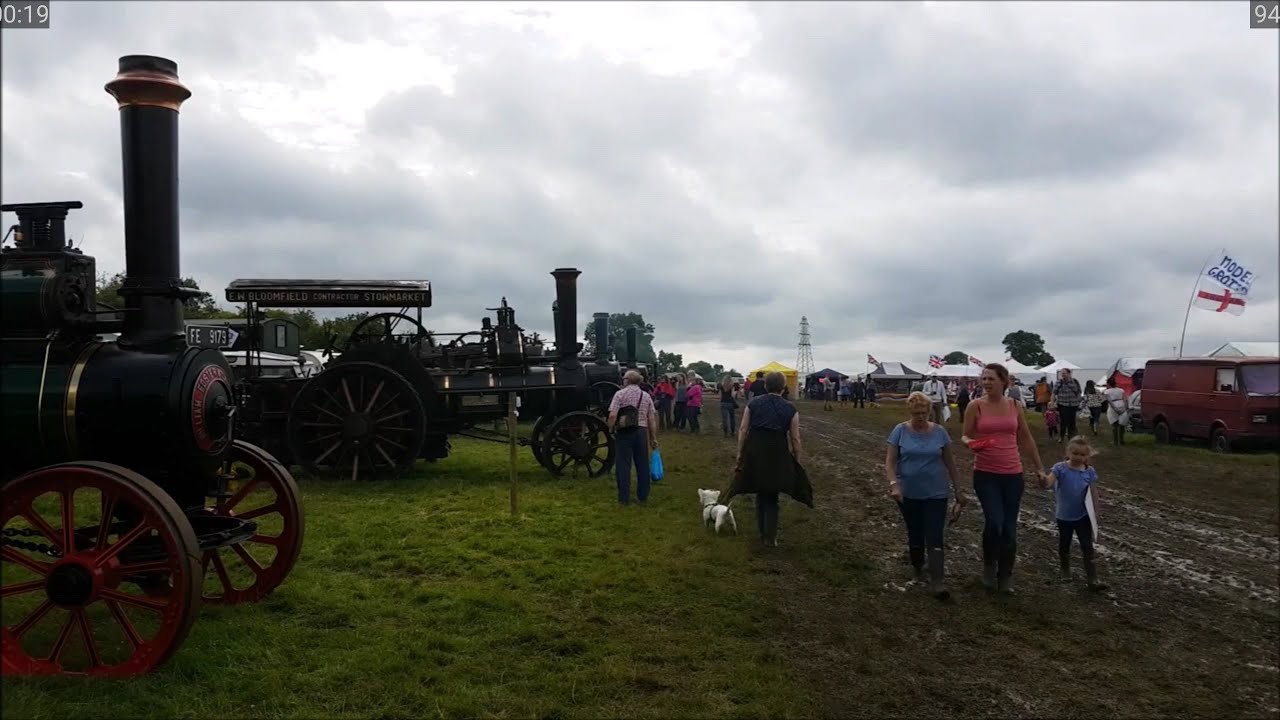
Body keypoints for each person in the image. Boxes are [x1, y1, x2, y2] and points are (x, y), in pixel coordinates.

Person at [962, 363, 1050, 594]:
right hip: (986, 474)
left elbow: (1026, 438)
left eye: (991, 379)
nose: (987, 383)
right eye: (984, 379)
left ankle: (1005, 576)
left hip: (1013, 475)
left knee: (1010, 528)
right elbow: (966, 435)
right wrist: (972, 444)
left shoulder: (1014, 405)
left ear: (1004, 382)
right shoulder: (975, 406)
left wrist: (1040, 469)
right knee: (995, 522)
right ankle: (989, 567)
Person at [886, 392, 965, 600]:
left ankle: (938, 581)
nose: (921, 417)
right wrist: (894, 484)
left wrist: (958, 490)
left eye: (924, 412)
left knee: (934, 533)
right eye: (916, 413)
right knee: (915, 533)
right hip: (908, 493)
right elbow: (890, 462)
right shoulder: (900, 431)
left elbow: (951, 463)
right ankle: (917, 564)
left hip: (936, 493)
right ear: (909, 412)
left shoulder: (939, 432)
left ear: (930, 412)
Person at [725, 371, 813, 547]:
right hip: (777, 453)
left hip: (756, 450)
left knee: (760, 490)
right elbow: (795, 438)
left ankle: (762, 532)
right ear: (783, 387)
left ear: (765, 386)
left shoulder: (753, 403)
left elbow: (743, 430)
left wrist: (740, 453)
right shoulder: (790, 409)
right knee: (772, 494)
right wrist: (797, 458)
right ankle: (770, 537)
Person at [1040, 435, 1108, 591]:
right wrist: (1044, 480)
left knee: (1087, 546)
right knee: (1065, 544)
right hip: (1064, 516)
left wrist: (1096, 512)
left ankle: (1092, 579)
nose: (1079, 457)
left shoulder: (1089, 471)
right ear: (1068, 452)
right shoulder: (1060, 468)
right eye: (1075, 453)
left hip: (1083, 516)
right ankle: (1065, 570)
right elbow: (1049, 482)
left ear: (1087, 456)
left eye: (1083, 455)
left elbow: (1093, 492)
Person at [606, 369, 658, 506]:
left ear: (627, 380)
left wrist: (610, 428)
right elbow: (651, 418)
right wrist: (653, 437)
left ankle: (624, 498)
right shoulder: (646, 396)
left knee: (623, 465)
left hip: (624, 432)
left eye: (624, 379)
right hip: (641, 431)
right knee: (642, 464)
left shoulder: (620, 394)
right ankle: (643, 496)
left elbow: (612, 415)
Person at [1053, 369, 1083, 440]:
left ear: (1069, 374)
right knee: (1063, 421)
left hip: (1073, 405)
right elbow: (1054, 393)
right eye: (1062, 373)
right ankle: (1062, 436)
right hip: (1062, 404)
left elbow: (1079, 392)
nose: (1063, 375)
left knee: (1072, 421)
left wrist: (1079, 401)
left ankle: (1071, 436)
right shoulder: (1059, 382)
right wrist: (1052, 402)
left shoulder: (1075, 382)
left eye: (1064, 373)